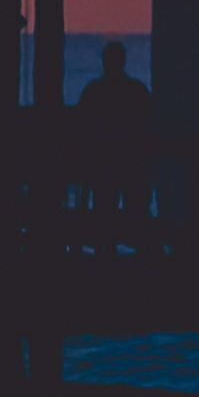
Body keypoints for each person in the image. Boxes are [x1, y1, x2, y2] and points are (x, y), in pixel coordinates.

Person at [77, 38, 151, 246]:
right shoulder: (137, 91)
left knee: (104, 211)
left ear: (104, 62)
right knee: (134, 212)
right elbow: (146, 125)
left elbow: (83, 126)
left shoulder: (94, 91)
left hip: (104, 162)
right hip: (130, 161)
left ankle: (106, 251)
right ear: (123, 61)